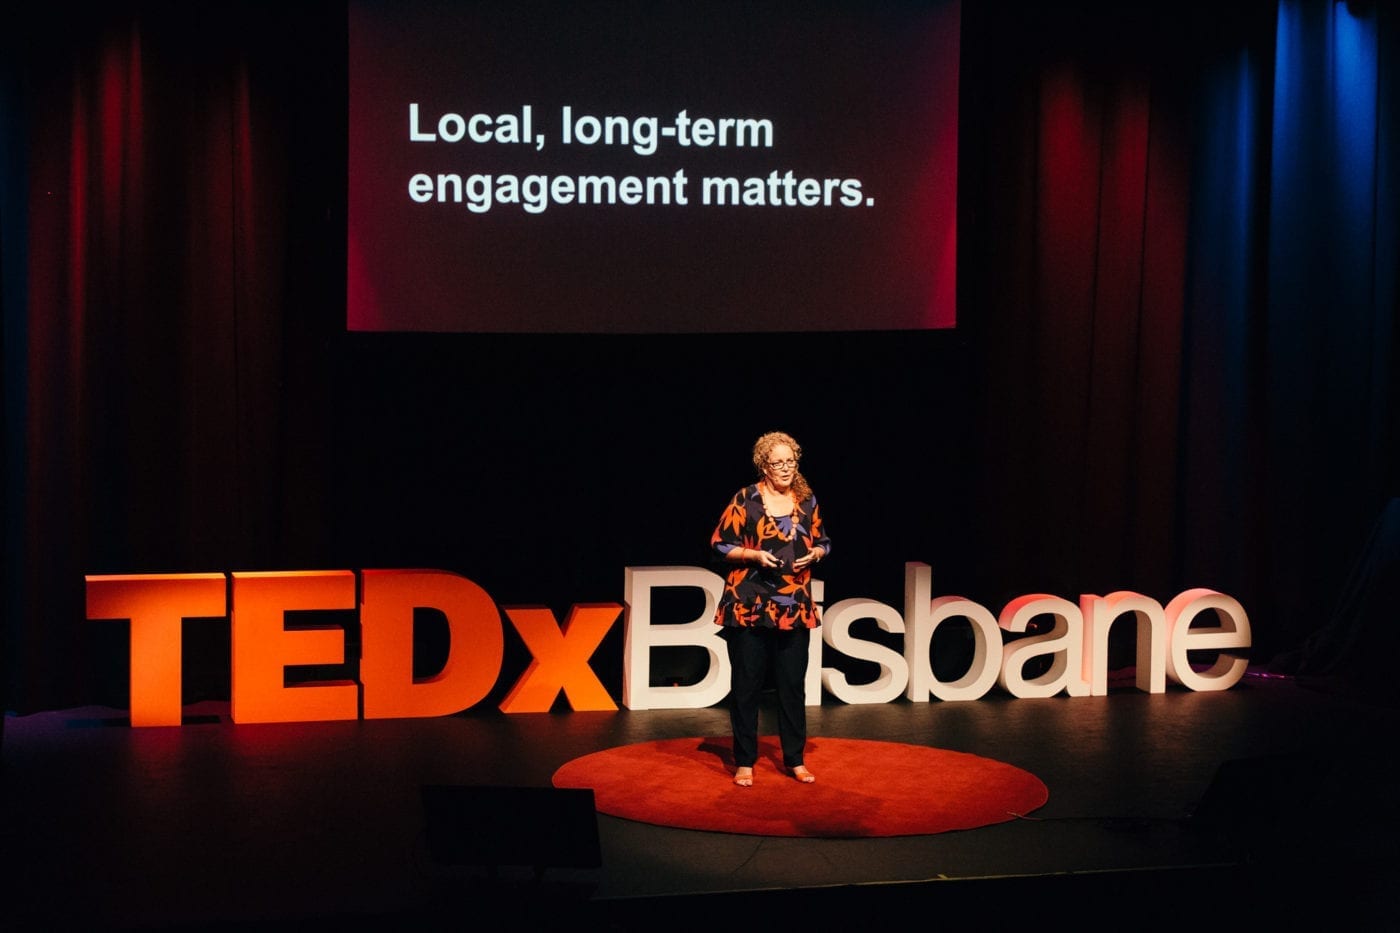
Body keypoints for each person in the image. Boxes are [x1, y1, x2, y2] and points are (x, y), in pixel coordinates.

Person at [709, 430, 831, 786]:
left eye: (791, 461)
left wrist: (818, 553)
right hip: (749, 603)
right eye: (778, 462)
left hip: (794, 605)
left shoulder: (806, 500)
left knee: (792, 684)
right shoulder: (745, 499)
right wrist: (753, 555)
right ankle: (745, 760)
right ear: (763, 464)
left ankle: (794, 758)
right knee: (747, 684)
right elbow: (719, 545)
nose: (786, 468)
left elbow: (824, 540)